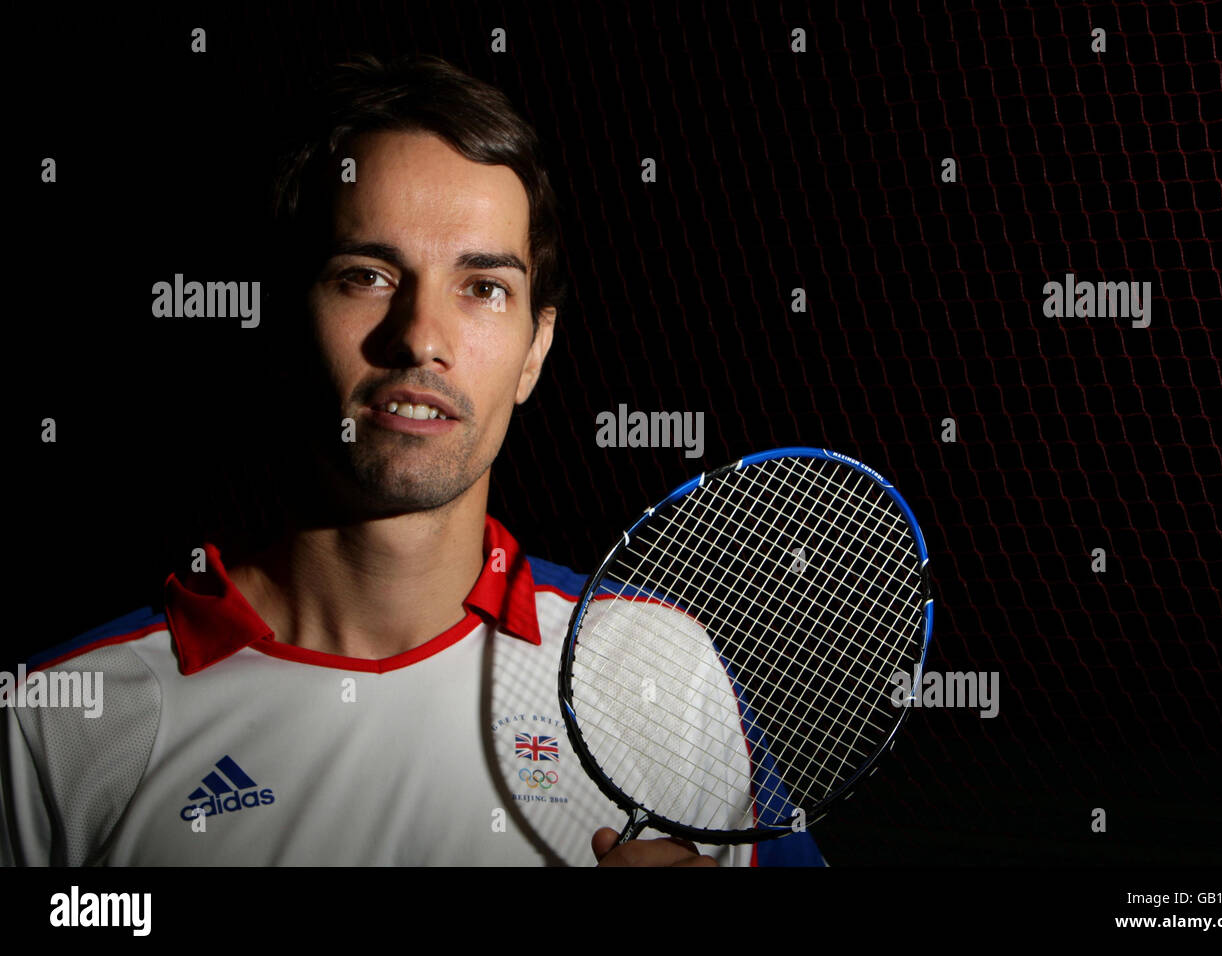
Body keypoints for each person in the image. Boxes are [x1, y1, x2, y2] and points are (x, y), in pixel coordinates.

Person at [0, 54, 823, 867]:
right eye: (367, 274)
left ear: (535, 350)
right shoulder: (64, 720)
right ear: (286, 321)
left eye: (484, 287)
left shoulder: (655, 666)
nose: (421, 337)